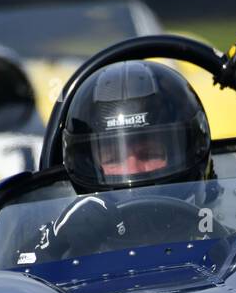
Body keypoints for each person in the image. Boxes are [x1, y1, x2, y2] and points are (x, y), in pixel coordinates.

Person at [22, 60, 217, 263]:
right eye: (113, 158)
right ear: (87, 162)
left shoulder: (224, 239)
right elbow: (11, 277)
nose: (132, 169)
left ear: (189, 149)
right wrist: (56, 242)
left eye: (149, 154)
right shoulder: (65, 242)